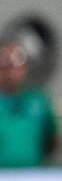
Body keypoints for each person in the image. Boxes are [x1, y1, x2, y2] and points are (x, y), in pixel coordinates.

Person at [0, 38, 57, 167]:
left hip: (32, 179)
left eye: (16, 67)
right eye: (5, 67)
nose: (11, 73)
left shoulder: (38, 101)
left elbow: (51, 139)